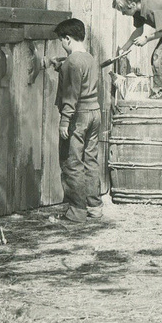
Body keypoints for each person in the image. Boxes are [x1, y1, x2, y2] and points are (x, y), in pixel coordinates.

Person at [52, 18, 104, 222]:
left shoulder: (72, 62)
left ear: (67, 39)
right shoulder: (89, 58)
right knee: (90, 159)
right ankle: (94, 206)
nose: (62, 46)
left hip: (77, 116)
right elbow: (80, 77)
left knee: (71, 161)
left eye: (61, 41)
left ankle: (76, 211)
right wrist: (60, 67)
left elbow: (72, 94)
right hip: (94, 112)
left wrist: (65, 121)